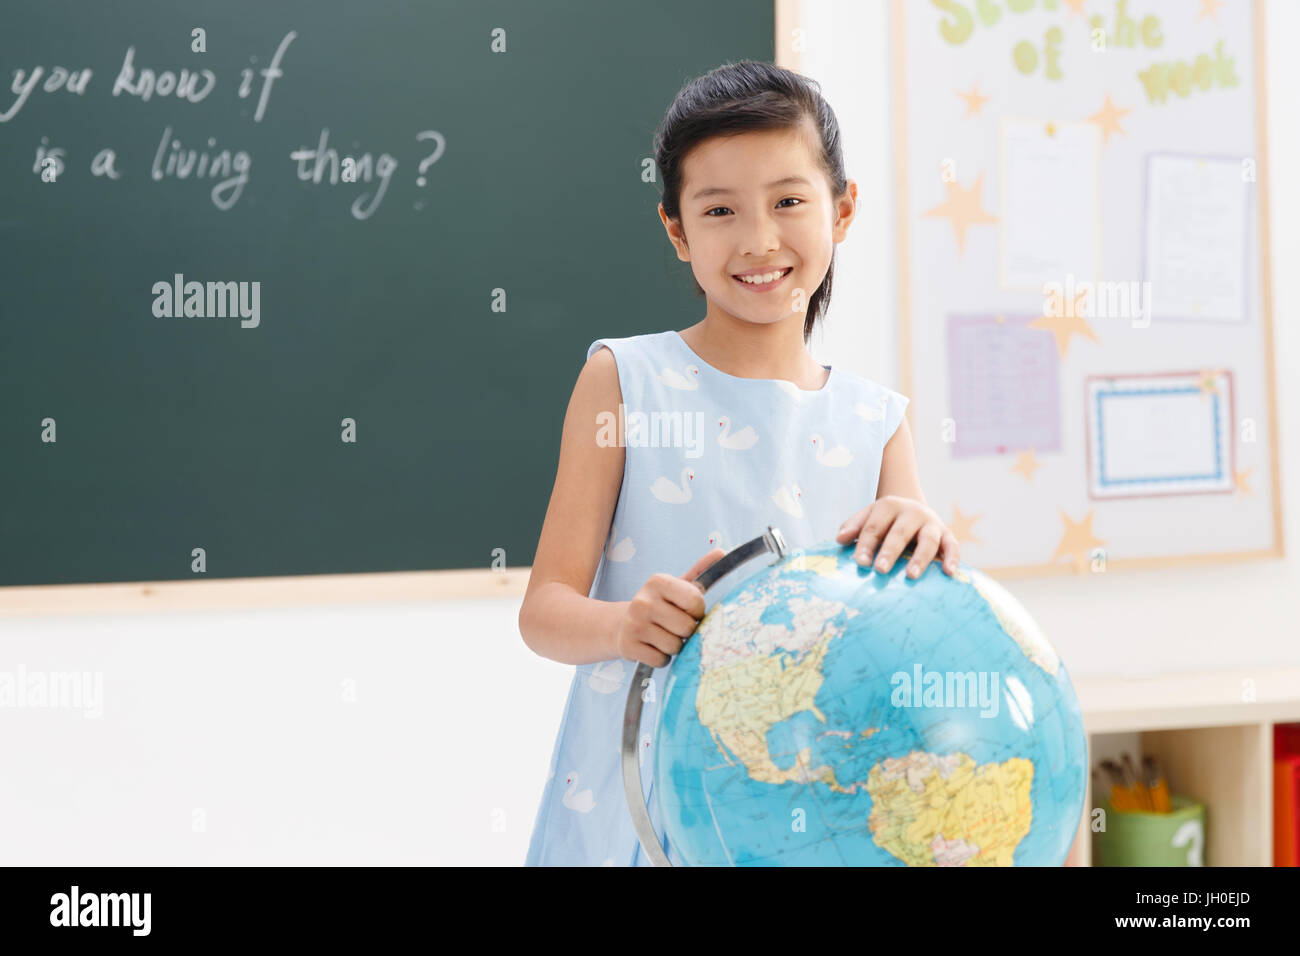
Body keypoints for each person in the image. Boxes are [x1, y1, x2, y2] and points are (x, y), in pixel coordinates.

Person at [518, 60, 961, 866]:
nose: (759, 240)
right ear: (677, 231)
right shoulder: (623, 379)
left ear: (843, 208)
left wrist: (925, 538)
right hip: (635, 804)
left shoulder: (877, 420)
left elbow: (908, 643)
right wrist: (623, 625)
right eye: (719, 210)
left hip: (801, 808)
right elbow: (543, 611)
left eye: (789, 201)